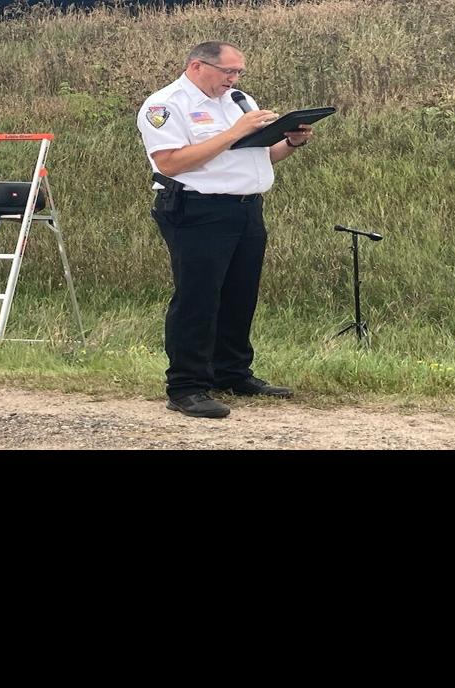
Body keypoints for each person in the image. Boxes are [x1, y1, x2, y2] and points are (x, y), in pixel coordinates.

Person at [136, 41, 316, 418]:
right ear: (198, 66)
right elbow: (170, 163)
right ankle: (186, 386)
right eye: (228, 72)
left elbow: (260, 155)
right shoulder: (165, 105)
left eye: (239, 73)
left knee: (239, 294)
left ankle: (232, 373)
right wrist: (234, 132)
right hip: (198, 210)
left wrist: (290, 142)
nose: (234, 79)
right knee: (198, 298)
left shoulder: (238, 101)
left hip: (246, 207)